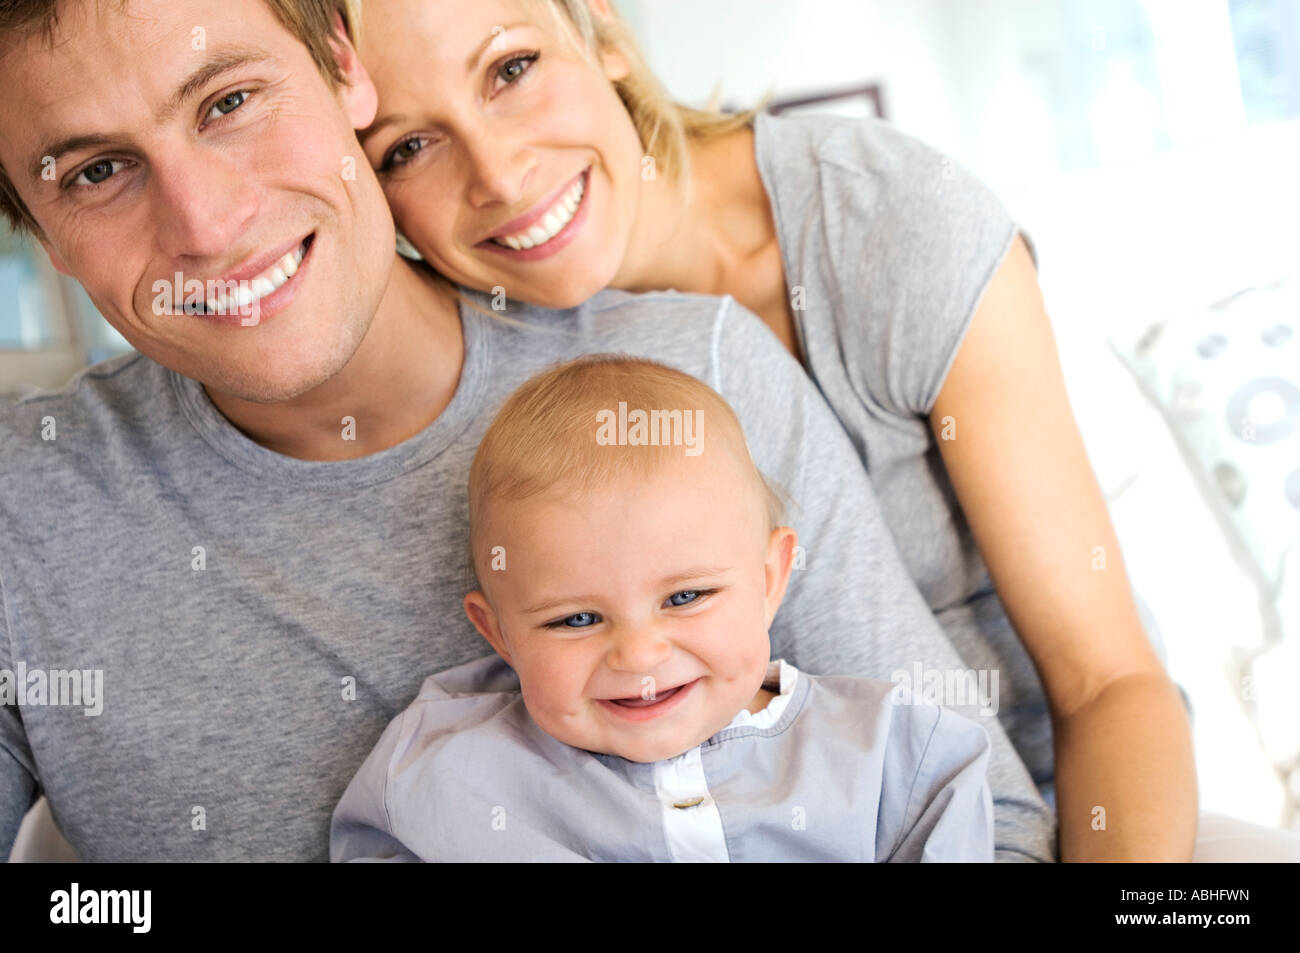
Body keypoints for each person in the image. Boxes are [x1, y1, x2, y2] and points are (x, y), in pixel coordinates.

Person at [0, 0, 1052, 861]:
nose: (207, 223)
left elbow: (981, 820)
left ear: (342, 69)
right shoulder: (23, 508)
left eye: (229, 101)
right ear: (37, 230)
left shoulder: (699, 380)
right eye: (95, 171)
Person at [349, 0, 1202, 860]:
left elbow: (1108, 682)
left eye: (511, 68)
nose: (498, 174)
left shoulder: (885, 228)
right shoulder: (490, 385)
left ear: (601, 31)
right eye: (407, 148)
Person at [331, 356, 995, 862]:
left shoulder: (894, 757)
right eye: (576, 619)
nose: (640, 653)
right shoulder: (442, 775)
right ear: (499, 632)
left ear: (771, 578)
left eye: (685, 597)